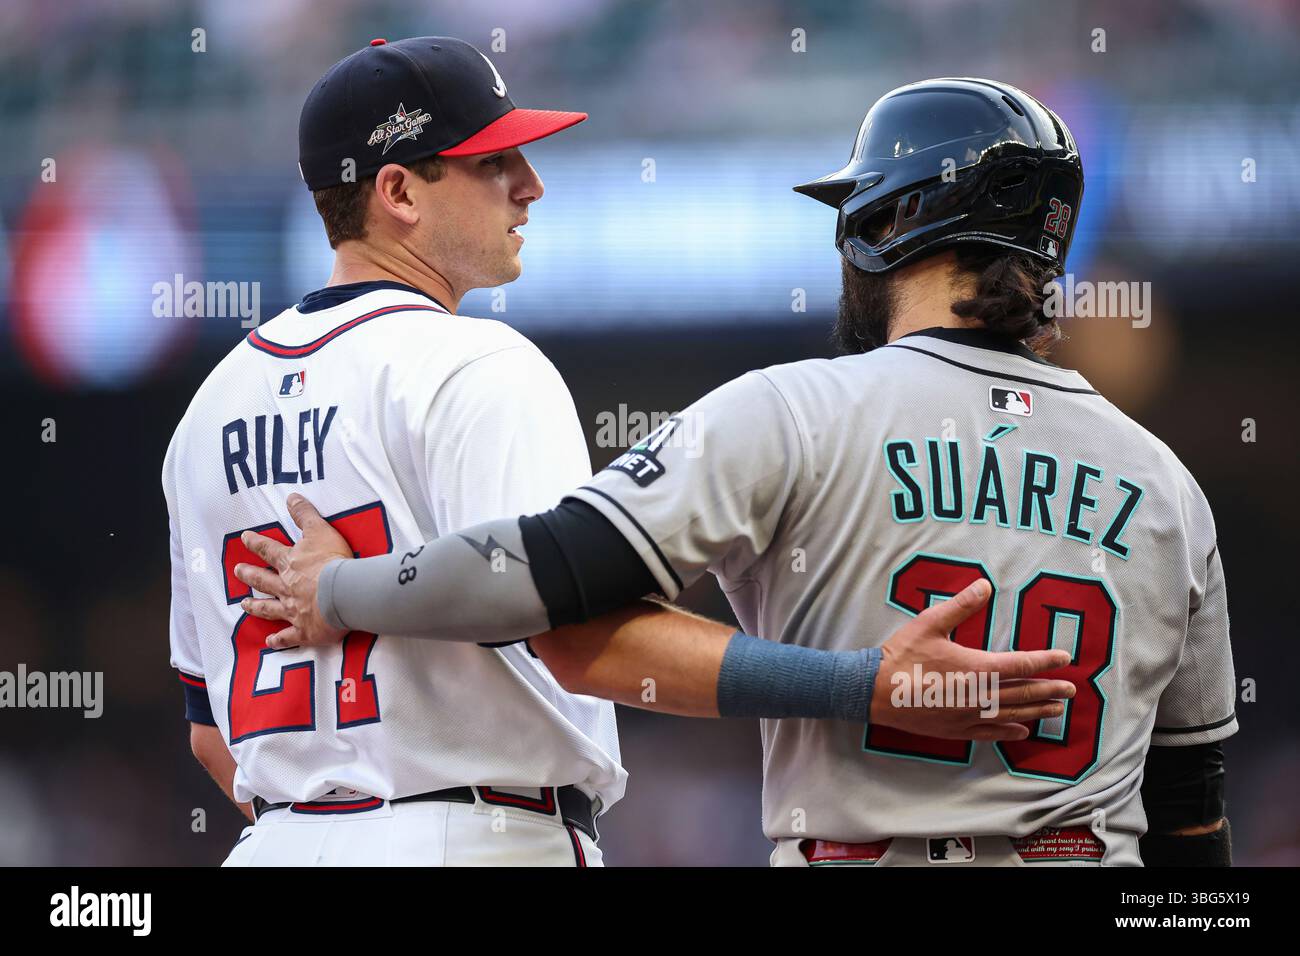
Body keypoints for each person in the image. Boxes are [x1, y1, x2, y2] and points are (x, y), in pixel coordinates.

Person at [239, 78, 1236, 868]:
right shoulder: (1167, 484)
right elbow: (1191, 820)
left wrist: (339, 588)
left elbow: (542, 584)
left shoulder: (792, 410)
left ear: (886, 227)